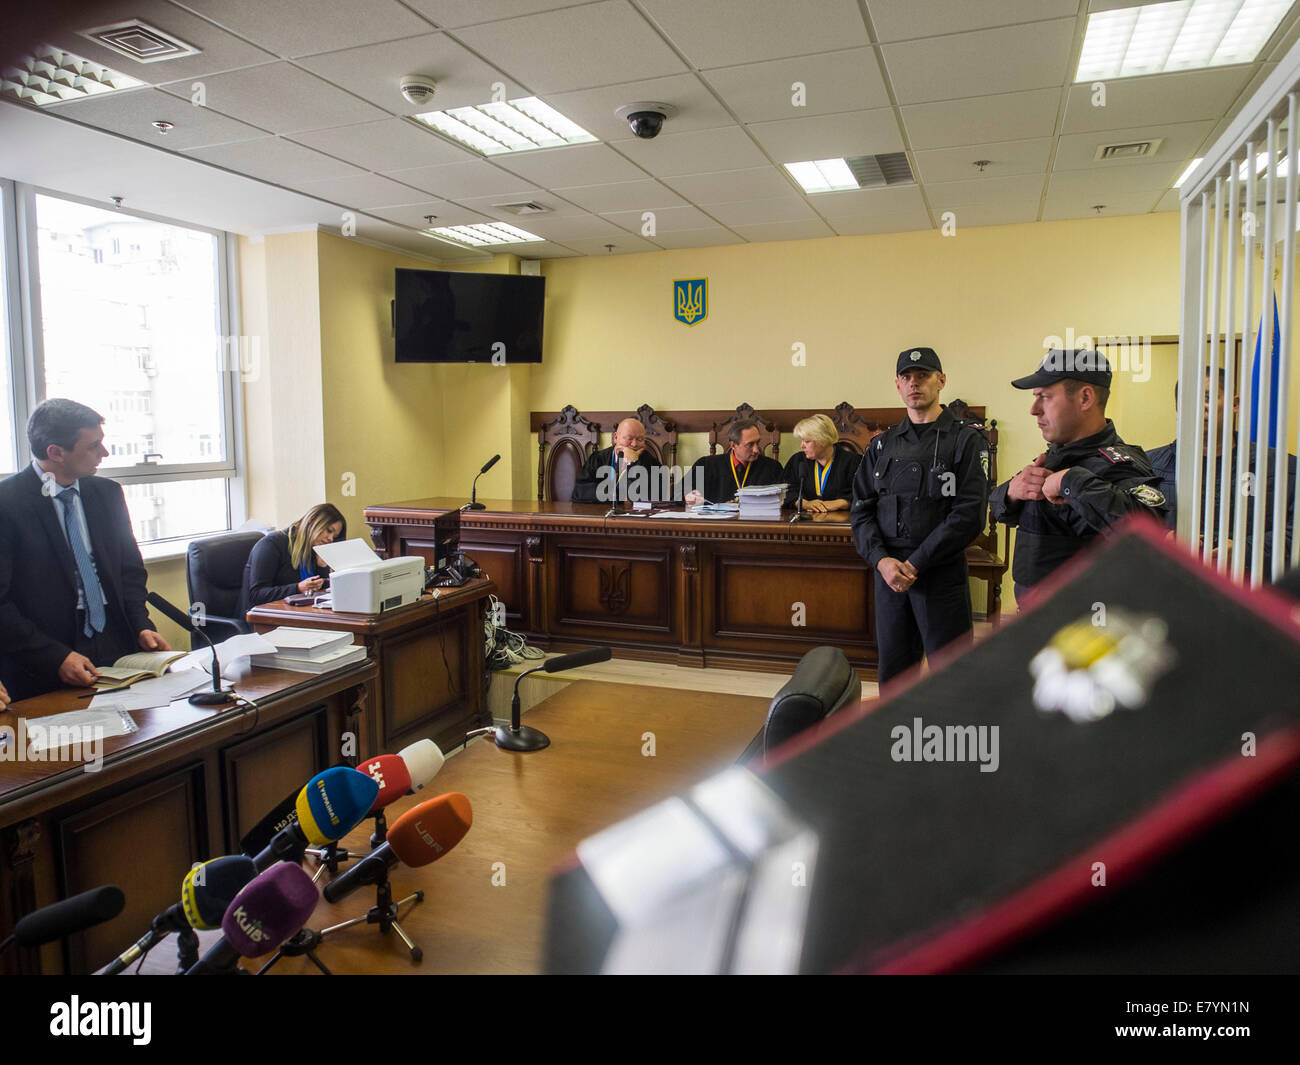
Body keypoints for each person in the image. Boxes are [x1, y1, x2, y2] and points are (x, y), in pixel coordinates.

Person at [0, 398, 170, 702]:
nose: (104, 453)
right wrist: (54, 656)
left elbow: (129, 570)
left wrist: (140, 624)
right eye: (93, 446)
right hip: (46, 653)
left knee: (139, 733)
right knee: (74, 746)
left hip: (116, 638)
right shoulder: (7, 504)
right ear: (56, 452)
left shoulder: (106, 493)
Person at [850, 347, 989, 684]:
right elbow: (861, 509)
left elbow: (969, 514)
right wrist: (882, 561)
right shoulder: (882, 445)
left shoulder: (965, 440)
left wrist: (915, 564)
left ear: (941, 381)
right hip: (889, 575)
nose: (915, 384)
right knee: (895, 674)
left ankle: (950, 737)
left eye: (923, 376)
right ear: (897, 385)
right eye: (907, 377)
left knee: (951, 677)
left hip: (938, 573)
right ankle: (896, 736)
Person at [990, 349, 1168, 599]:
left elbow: (1148, 530)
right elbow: (999, 510)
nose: (1033, 409)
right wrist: (1011, 491)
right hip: (1038, 619)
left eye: (1045, 397)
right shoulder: (1055, 454)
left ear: (1085, 398)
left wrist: (1070, 481)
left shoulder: (1121, 464)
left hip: (1090, 624)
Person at [1147, 374, 1295, 567]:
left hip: (1247, 586)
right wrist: (1164, 541)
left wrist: (1245, 549)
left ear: (1235, 404)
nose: (1198, 407)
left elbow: (1294, 530)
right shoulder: (1150, 466)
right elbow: (1126, 528)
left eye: (1207, 398)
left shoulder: (1278, 467)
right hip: (1175, 583)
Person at [240, 503, 346, 612]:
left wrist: (321, 566)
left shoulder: (312, 548)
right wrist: (298, 588)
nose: (330, 539)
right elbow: (257, 595)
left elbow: (318, 589)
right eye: (329, 530)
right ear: (312, 520)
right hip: (263, 617)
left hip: (297, 611)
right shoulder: (272, 544)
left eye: (334, 536)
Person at [684, 418, 784, 505]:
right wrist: (689, 497)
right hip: (716, 525)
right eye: (750, 444)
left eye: (758, 442)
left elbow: (784, 501)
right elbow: (678, 494)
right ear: (733, 445)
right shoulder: (706, 465)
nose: (756, 450)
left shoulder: (773, 467)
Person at [571, 418, 662, 504]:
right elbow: (580, 492)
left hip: (636, 518)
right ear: (615, 437)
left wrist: (633, 463)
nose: (634, 444)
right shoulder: (598, 458)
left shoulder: (649, 461)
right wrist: (620, 496)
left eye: (640, 439)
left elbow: (654, 494)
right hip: (601, 515)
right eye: (629, 438)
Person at [782, 414, 856, 513]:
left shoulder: (852, 461)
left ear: (823, 440)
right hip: (805, 519)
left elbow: (863, 495)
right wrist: (804, 503)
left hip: (842, 520)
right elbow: (785, 492)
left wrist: (840, 503)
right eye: (802, 440)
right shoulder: (798, 460)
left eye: (807, 441)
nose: (802, 446)